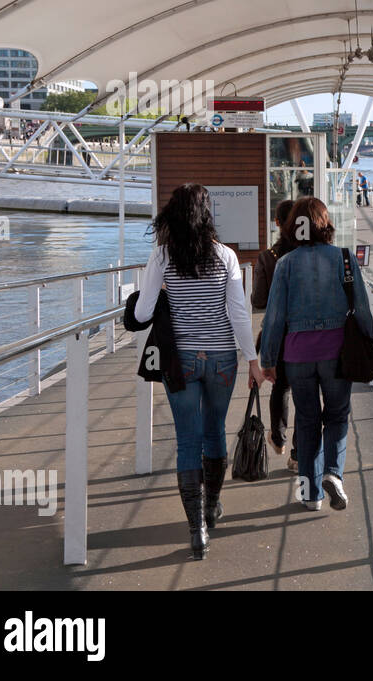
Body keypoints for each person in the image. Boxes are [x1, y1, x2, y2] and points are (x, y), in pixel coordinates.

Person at [133, 184, 263, 560]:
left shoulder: (162, 256)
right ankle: (213, 505)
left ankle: (196, 530)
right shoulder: (225, 256)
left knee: (187, 441)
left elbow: (142, 313)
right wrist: (252, 360)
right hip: (223, 358)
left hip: (182, 359)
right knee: (214, 433)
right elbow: (238, 314)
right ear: (208, 215)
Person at [259, 197, 373, 512]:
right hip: (337, 353)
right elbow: (362, 310)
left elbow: (274, 318)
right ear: (325, 224)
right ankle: (333, 474)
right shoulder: (345, 259)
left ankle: (310, 496)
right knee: (337, 415)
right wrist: (369, 349)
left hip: (297, 356)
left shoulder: (285, 264)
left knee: (307, 421)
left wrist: (267, 361)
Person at [252, 198, 298, 472]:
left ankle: (278, 438)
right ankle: (297, 456)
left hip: (277, 334)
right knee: (305, 395)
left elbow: (258, 300)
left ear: (278, 223)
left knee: (280, 386)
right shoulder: (309, 254)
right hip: (307, 335)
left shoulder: (269, 256)